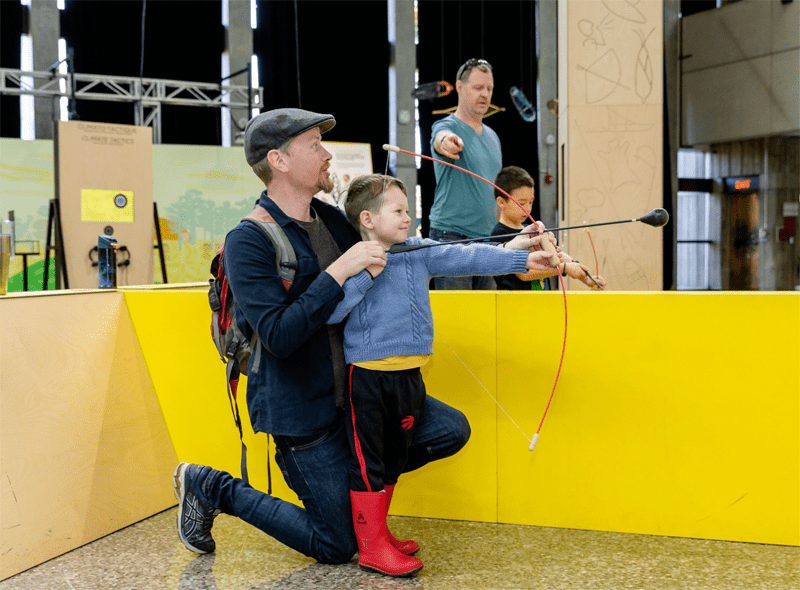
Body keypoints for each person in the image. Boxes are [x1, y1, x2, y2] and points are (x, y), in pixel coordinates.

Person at [171, 109, 473, 568]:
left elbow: (404, 249)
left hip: (361, 396)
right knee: (336, 546)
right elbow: (278, 335)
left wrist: (514, 252)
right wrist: (339, 270)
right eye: (314, 145)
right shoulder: (248, 241)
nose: (327, 154)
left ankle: (360, 491)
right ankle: (211, 486)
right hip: (303, 412)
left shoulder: (333, 220)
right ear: (279, 160)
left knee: (448, 429)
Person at [326, 173, 562, 576]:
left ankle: (379, 533)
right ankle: (370, 547)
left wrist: (521, 259)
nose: (407, 218)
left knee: (395, 456)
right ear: (367, 218)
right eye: (398, 211)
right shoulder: (351, 261)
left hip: (410, 376)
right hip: (367, 377)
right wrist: (365, 274)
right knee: (368, 463)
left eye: (408, 210)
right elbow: (330, 312)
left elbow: (467, 256)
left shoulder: (417, 251)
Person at [429, 58, 501, 290]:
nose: (485, 94)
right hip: (451, 238)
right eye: (478, 87)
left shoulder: (493, 137)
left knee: (486, 319)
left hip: (488, 241)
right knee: (456, 320)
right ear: (460, 87)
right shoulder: (447, 126)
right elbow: (441, 138)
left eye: (489, 89)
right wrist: (446, 143)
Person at [491, 166, 607, 290]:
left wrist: (585, 276)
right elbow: (524, 274)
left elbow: (557, 256)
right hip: (516, 305)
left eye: (531, 202)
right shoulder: (500, 234)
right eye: (522, 203)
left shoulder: (531, 230)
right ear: (501, 202)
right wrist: (564, 268)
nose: (528, 208)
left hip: (542, 301)